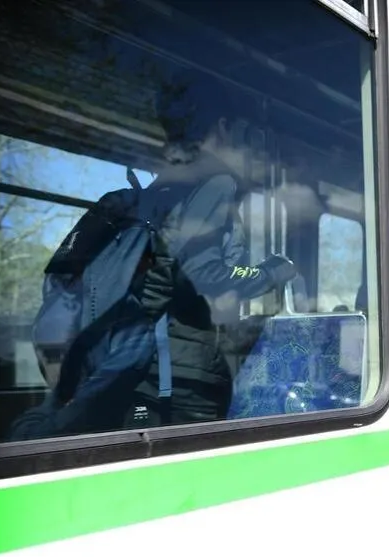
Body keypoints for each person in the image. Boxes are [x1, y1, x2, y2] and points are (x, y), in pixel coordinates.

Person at [124, 71, 297, 428]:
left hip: (142, 363)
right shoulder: (216, 181)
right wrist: (269, 273)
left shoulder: (161, 187)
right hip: (185, 376)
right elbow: (203, 274)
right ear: (222, 126)